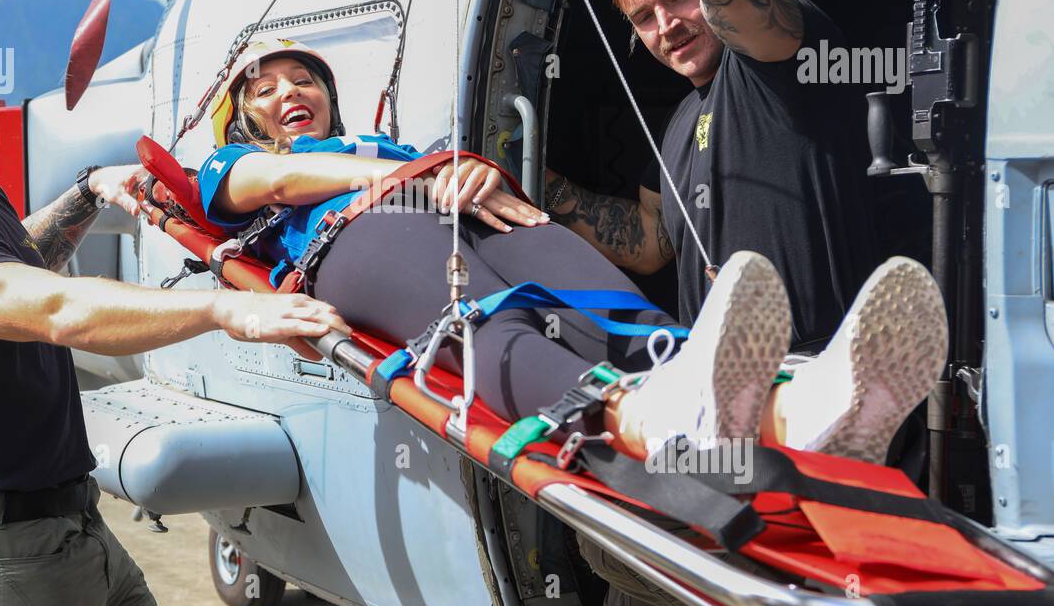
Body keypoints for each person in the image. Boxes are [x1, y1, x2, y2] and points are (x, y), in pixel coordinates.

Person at [198, 41, 946, 474]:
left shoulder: (383, 142)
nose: (290, 92)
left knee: (592, 290)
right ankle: (638, 418)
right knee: (485, 318)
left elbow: (444, 177)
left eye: (303, 81)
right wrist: (409, 177)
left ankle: (786, 406)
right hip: (356, 236)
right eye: (264, 91)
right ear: (243, 117)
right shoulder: (232, 164)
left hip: (457, 208)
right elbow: (280, 181)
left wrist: (469, 170)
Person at [0, 3, 349, 606]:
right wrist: (227, 308)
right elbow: (58, 309)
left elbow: (25, 260)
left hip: (75, 533)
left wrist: (87, 191)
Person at [450, 0, 878, 352]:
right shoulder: (679, 124)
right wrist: (511, 176)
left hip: (824, 377)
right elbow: (650, 240)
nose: (666, 26)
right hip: (720, 392)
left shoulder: (778, 60)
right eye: (643, 18)